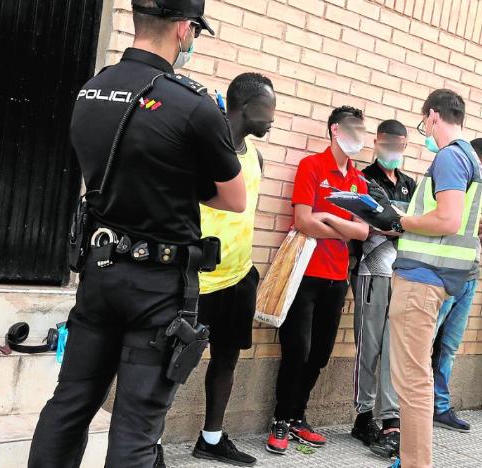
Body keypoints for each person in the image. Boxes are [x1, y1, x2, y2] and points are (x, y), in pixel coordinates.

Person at [29, 1, 248, 466]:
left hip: (100, 272)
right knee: (136, 425)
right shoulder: (193, 105)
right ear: (185, 30)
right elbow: (233, 198)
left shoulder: (92, 88)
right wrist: (179, 178)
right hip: (158, 286)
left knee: (69, 404)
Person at [364, 89, 482, 468]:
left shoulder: (450, 157)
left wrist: (398, 221)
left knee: (411, 380)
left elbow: (447, 220)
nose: (425, 132)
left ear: (433, 116)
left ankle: (415, 463)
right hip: (438, 278)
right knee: (414, 376)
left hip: (422, 280)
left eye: (423, 124)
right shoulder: (470, 159)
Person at [267, 106, 370, 455]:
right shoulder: (312, 166)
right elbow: (303, 222)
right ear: (334, 129)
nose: (357, 135)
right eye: (351, 128)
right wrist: (340, 227)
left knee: (321, 353)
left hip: (336, 278)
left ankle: (298, 416)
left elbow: (363, 230)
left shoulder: (358, 181)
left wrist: (327, 217)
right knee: (297, 350)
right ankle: (280, 419)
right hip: (304, 274)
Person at [192, 72, 275, 466]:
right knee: (171, 366)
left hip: (239, 276)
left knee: (226, 360)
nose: (273, 117)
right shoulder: (205, 149)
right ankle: (150, 444)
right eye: (268, 108)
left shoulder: (254, 156)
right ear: (244, 108)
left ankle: (210, 438)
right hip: (197, 280)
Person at [430, 136, 482, 435]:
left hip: (469, 277)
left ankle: (440, 406)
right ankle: (412, 404)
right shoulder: (452, 182)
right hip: (446, 275)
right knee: (426, 342)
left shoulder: (476, 192)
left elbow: (473, 243)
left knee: (448, 347)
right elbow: (444, 228)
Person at [349, 120, 415, 449]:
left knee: (393, 349)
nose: (393, 150)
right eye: (388, 143)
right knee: (369, 347)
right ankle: (363, 416)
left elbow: (403, 223)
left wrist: (396, 223)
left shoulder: (409, 184)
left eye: (400, 144)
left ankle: (390, 417)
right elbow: (381, 220)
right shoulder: (363, 179)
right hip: (371, 272)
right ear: (376, 142)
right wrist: (401, 223)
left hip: (402, 274)